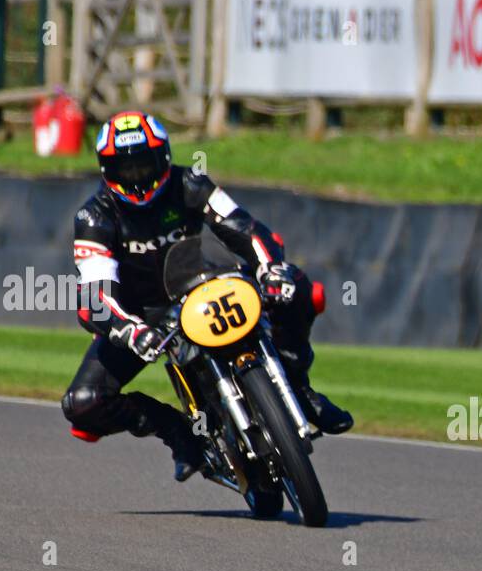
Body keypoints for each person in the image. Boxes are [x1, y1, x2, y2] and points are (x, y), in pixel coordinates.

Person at [62, 110, 352, 481]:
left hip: (207, 285)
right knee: (83, 404)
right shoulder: (94, 217)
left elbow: (244, 229)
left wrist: (269, 269)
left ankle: (300, 387)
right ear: (106, 171)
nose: (136, 177)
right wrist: (128, 328)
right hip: (144, 316)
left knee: (298, 289)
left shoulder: (191, 183)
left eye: (144, 165)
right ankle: (176, 429)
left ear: (164, 157)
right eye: (125, 169)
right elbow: (94, 295)